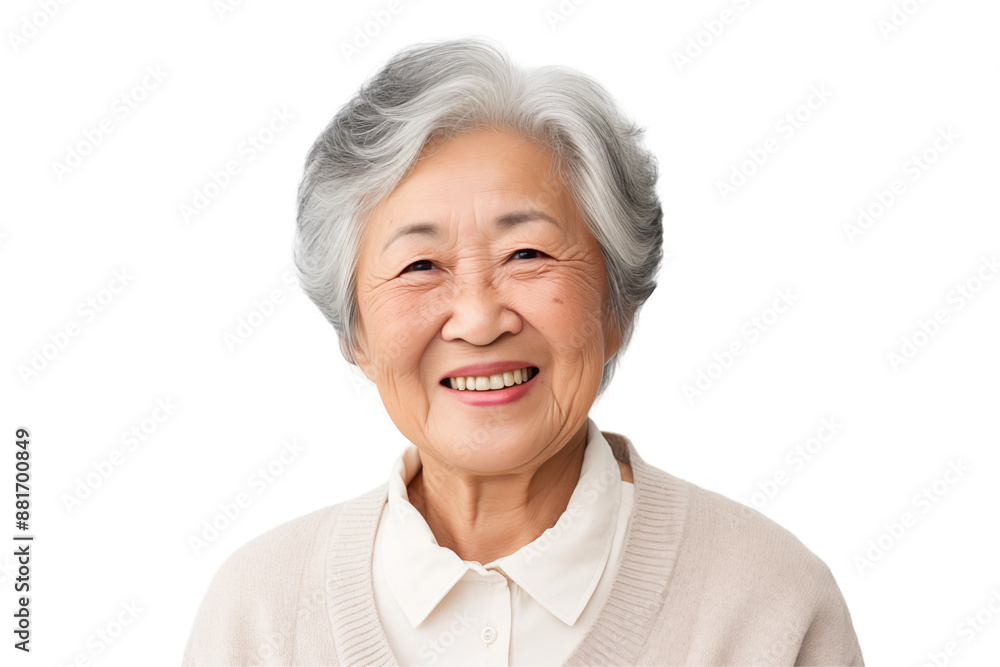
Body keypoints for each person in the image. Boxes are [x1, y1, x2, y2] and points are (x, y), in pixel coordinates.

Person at [183, 37, 864, 666]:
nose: (478, 318)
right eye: (421, 264)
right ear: (354, 332)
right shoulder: (259, 614)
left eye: (528, 253)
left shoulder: (768, 604)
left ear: (617, 306)